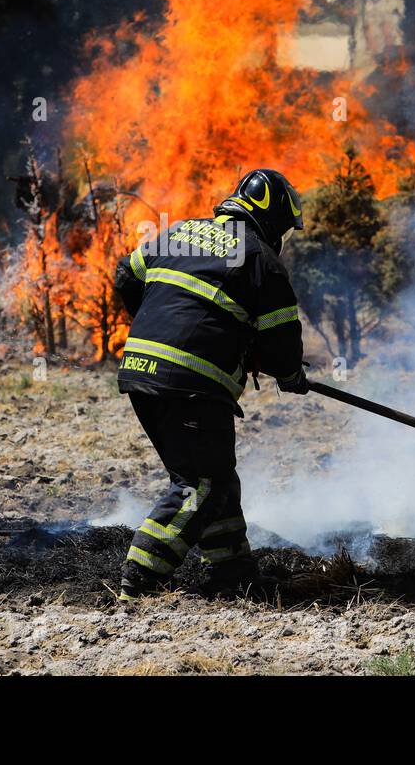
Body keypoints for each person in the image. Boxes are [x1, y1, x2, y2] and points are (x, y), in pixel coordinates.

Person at [113, 169, 309, 600]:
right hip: (191, 383)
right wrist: (292, 376)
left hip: (142, 371)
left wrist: (153, 324)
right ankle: (140, 580)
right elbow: (282, 351)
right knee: (202, 485)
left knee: (215, 474)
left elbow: (126, 274)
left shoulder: (178, 231)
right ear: (273, 219)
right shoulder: (262, 260)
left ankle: (232, 570)